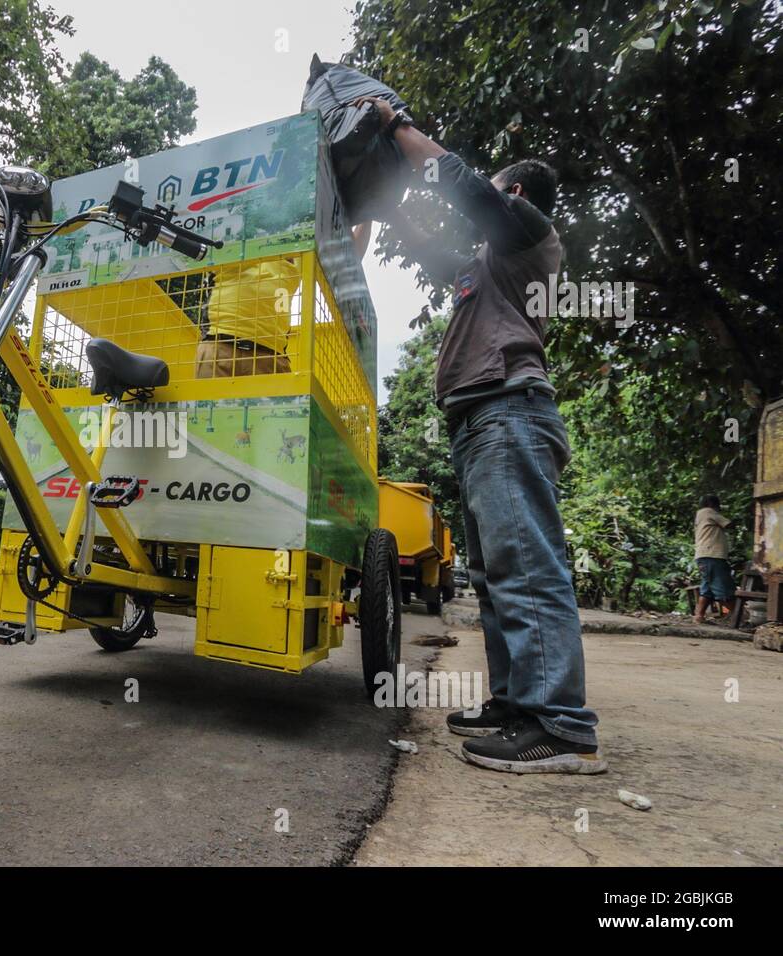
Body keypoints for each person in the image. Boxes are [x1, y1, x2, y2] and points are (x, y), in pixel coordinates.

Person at [353, 94, 606, 774]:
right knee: (497, 576)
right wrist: (386, 203)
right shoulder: (484, 266)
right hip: (480, 420)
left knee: (525, 564)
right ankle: (516, 705)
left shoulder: (528, 234)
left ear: (514, 192)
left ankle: (559, 722)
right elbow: (434, 252)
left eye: (494, 189)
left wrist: (398, 126)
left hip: (509, 411)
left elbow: (464, 188)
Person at [193, 223, 372, 378]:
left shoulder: (300, 250)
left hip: (271, 357)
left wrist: (366, 214)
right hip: (219, 347)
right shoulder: (242, 234)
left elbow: (348, 259)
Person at [693, 495, 734, 623]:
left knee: (707, 589)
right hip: (713, 555)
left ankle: (699, 616)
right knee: (722, 588)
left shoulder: (700, 515)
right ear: (711, 504)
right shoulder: (708, 512)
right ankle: (740, 616)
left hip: (704, 556)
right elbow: (729, 524)